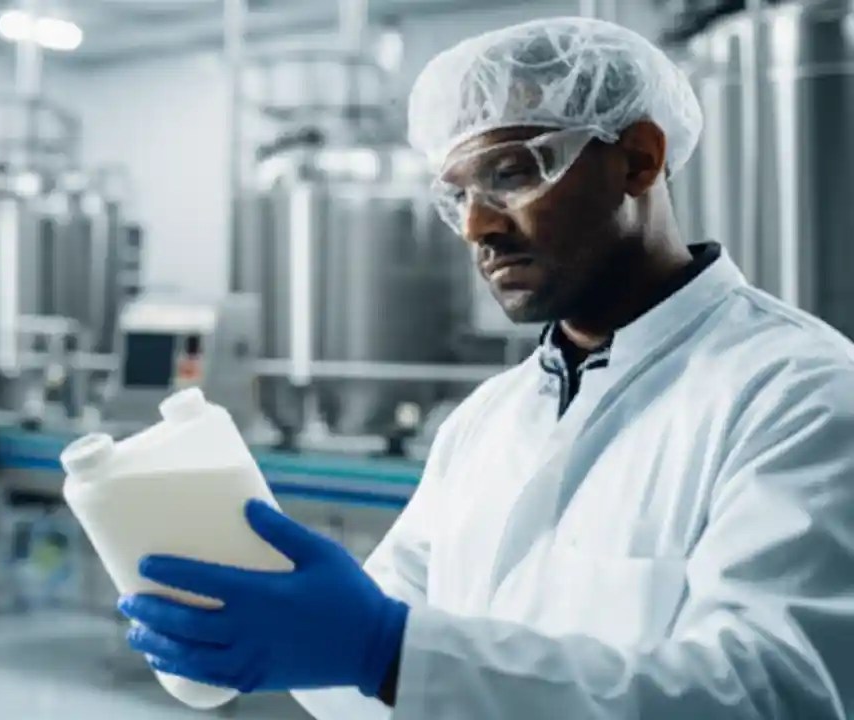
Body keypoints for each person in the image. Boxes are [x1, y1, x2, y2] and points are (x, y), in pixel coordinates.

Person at [118, 16, 854, 719]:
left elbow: (773, 694)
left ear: (638, 159)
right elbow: (384, 659)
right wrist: (274, 627)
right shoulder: (486, 423)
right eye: (459, 195)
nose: (478, 227)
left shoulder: (800, 395)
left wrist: (387, 651)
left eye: (511, 173)